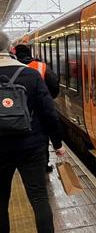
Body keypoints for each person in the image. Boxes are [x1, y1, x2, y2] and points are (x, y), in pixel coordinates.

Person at [0, 32, 67, 233]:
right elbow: (49, 112)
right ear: (10, 48)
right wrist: (57, 144)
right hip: (32, 145)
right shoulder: (29, 74)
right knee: (39, 198)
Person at [13, 43, 59, 172]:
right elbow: (54, 86)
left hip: (14, 116)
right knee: (41, 138)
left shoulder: (10, 68)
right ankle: (44, 164)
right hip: (37, 115)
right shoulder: (41, 66)